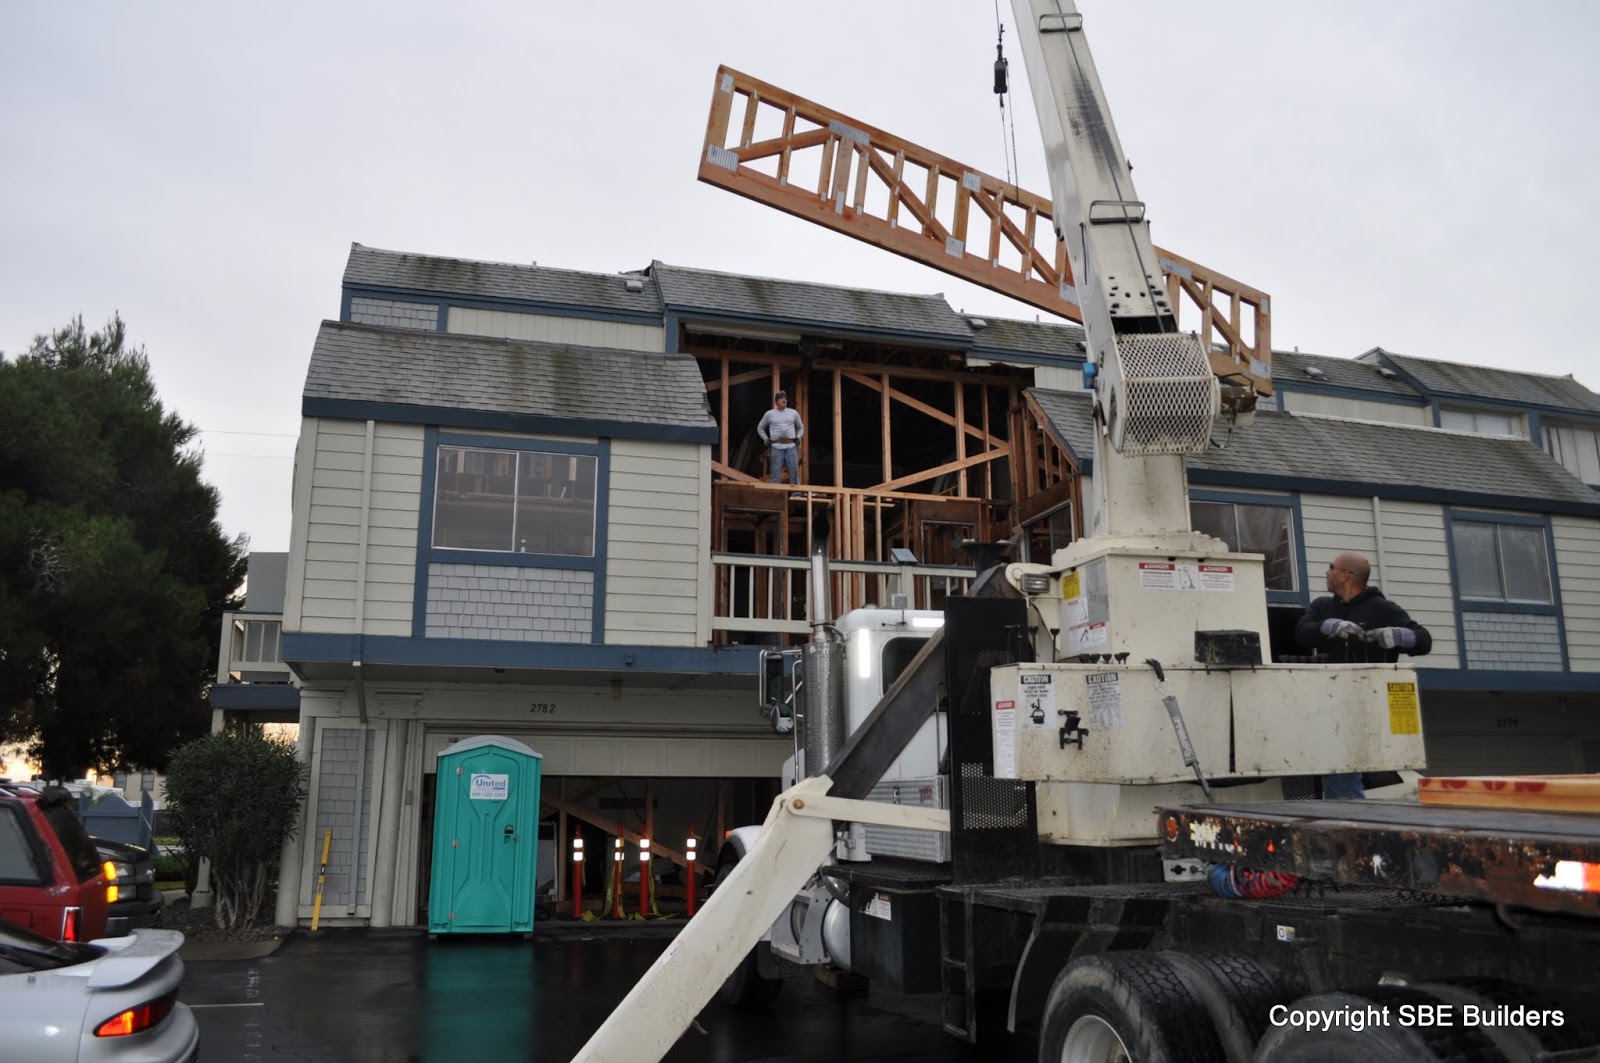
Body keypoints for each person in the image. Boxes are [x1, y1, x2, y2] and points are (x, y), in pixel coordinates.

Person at [1294, 551, 1431, 799]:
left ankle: (1347, 823)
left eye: (1331, 567)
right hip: (1330, 705)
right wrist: (1329, 626)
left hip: (1372, 706)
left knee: (1345, 769)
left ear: (1346, 575)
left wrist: (1400, 635)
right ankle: (1351, 815)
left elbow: (1424, 640)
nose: (1327, 572)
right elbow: (1302, 634)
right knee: (1340, 767)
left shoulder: (1382, 609)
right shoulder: (1322, 607)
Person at [757, 390, 804, 484]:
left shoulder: (793, 412)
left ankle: (796, 494)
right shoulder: (769, 414)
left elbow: (801, 427)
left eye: (785, 398)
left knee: (793, 471)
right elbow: (760, 427)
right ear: (776, 401)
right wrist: (765, 438)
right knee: (775, 472)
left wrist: (798, 437)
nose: (784, 400)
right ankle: (775, 494)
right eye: (781, 398)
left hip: (791, 446)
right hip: (776, 447)